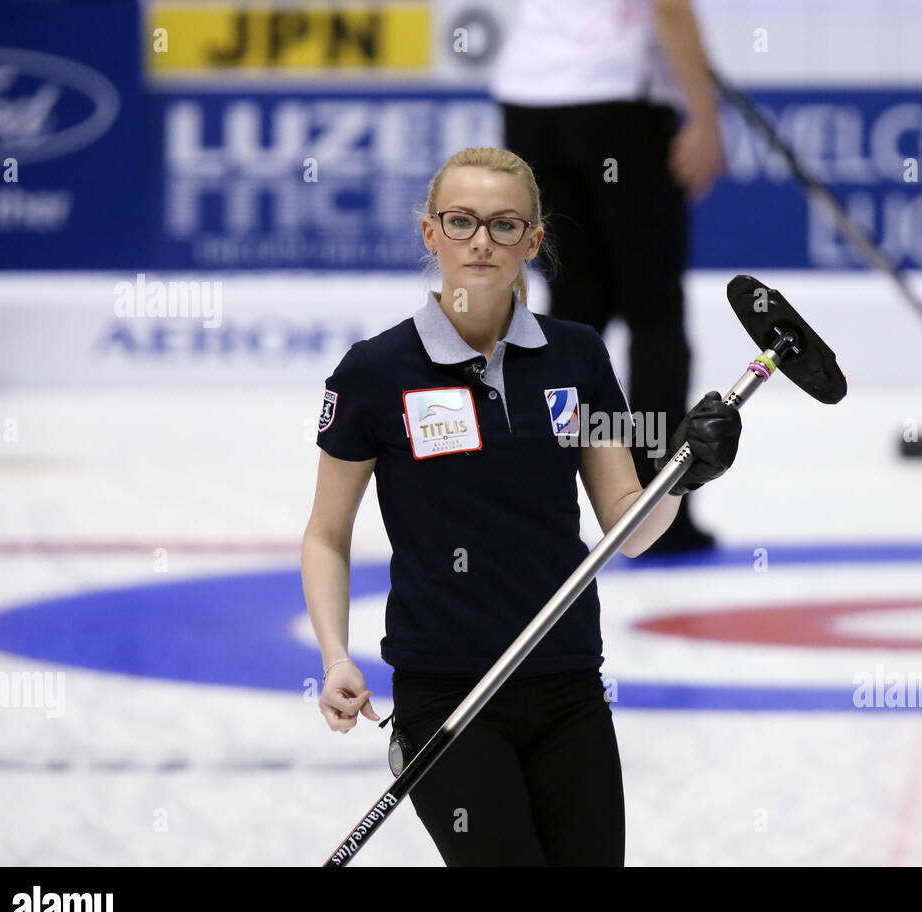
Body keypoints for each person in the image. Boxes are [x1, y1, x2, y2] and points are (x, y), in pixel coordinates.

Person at [300, 147, 741, 866]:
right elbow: (325, 535)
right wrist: (334, 655)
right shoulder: (375, 372)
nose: (482, 240)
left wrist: (686, 475)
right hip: (445, 694)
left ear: (533, 243)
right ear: (429, 234)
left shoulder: (579, 357)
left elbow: (625, 527)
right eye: (461, 221)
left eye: (505, 226)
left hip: (567, 686)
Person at [489, 0, 728, 549]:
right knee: (655, 313)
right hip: (615, 100)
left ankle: (546, 503)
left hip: (531, 97)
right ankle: (655, 510)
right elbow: (669, 7)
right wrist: (706, 117)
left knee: (574, 309)